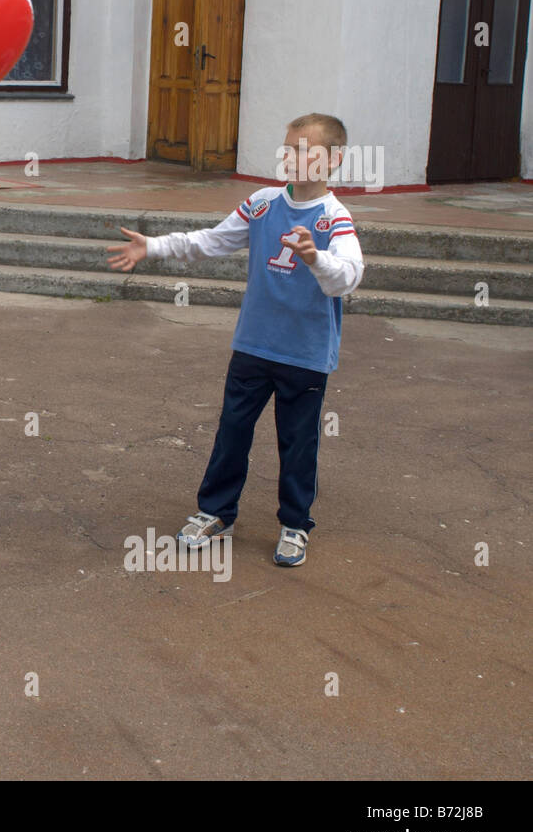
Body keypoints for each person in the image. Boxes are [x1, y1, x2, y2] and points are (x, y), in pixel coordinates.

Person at [106, 113, 364, 567]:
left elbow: (347, 278)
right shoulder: (262, 204)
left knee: (298, 441)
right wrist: (157, 247)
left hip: (304, 356)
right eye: (288, 147)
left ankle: (295, 525)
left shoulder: (334, 217)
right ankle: (215, 512)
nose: (292, 156)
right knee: (232, 431)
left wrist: (315, 258)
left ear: (334, 160)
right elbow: (212, 241)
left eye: (305, 150)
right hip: (253, 346)